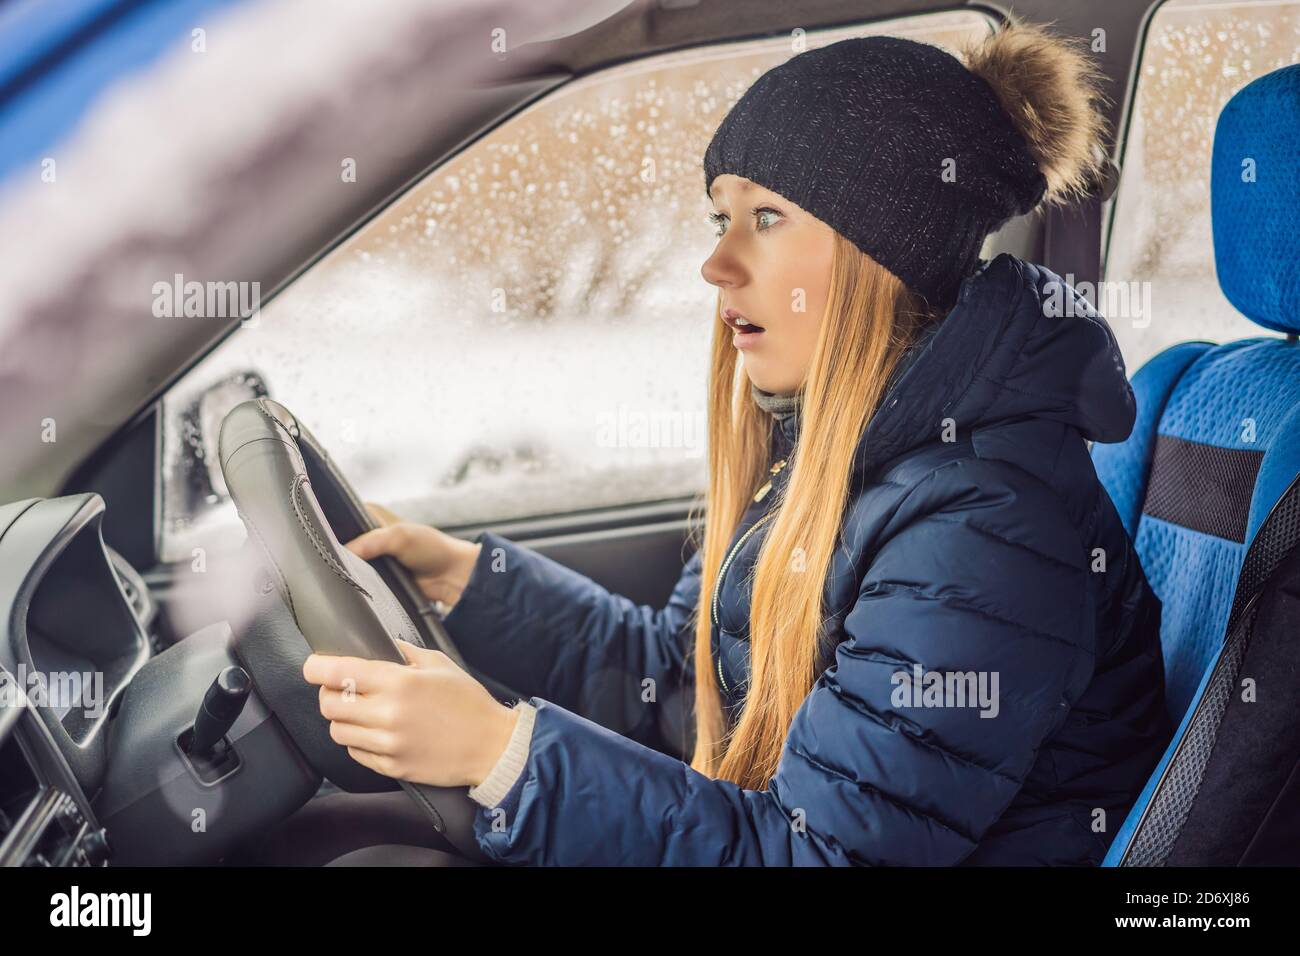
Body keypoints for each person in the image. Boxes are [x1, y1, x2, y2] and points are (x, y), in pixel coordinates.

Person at [294, 20, 1173, 866]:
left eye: (769, 216)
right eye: (722, 219)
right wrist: (462, 578)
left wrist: (505, 756)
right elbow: (680, 683)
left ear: (882, 256)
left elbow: (812, 854)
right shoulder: (830, 452)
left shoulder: (981, 532)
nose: (715, 266)